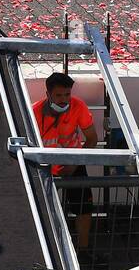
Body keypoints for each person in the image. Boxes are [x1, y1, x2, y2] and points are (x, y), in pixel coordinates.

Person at [33, 72, 99, 254]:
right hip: (44, 168)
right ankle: (45, 249)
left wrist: (75, 163)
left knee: (84, 209)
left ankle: (83, 250)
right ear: (48, 95)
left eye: (67, 94)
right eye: (59, 95)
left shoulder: (78, 106)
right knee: (41, 210)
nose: (64, 100)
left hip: (74, 165)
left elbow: (92, 138)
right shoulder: (34, 112)